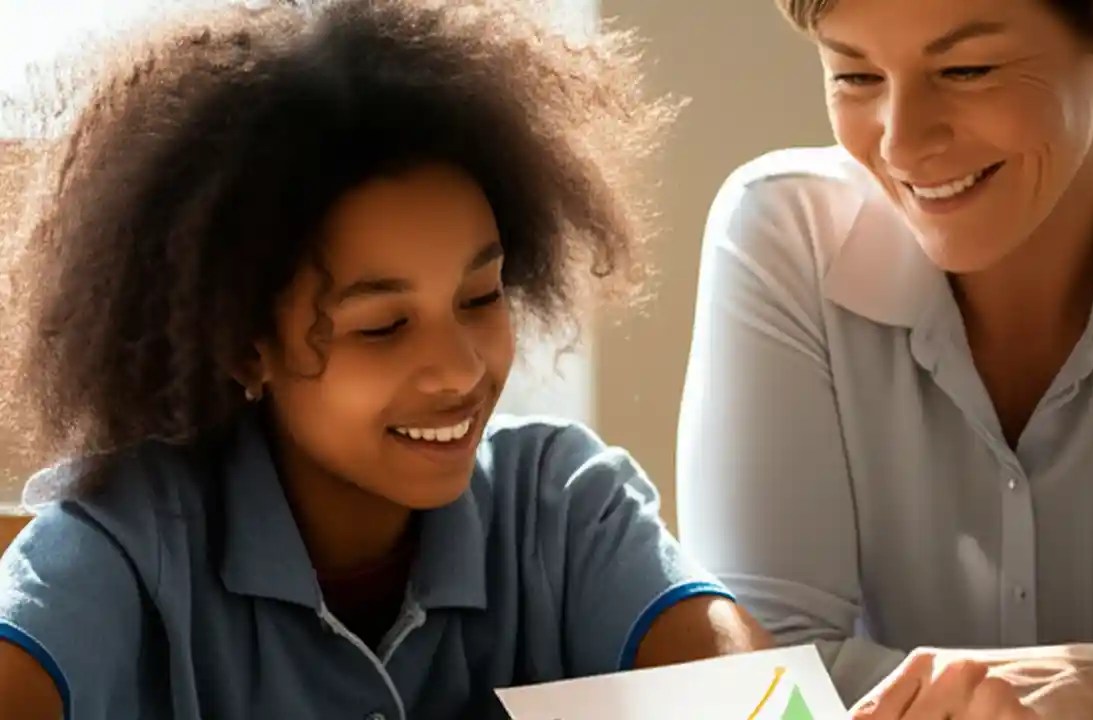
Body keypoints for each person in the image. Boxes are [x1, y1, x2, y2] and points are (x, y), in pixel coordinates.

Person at [0, 2, 773, 718]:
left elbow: (750, 697)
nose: (461, 372)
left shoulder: (562, 506)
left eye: (479, 298)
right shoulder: (122, 546)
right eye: (384, 326)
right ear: (242, 344)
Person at [676, 0, 1093, 717]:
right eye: (856, 75)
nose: (902, 144)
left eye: (966, 69)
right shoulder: (784, 238)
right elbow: (762, 679)